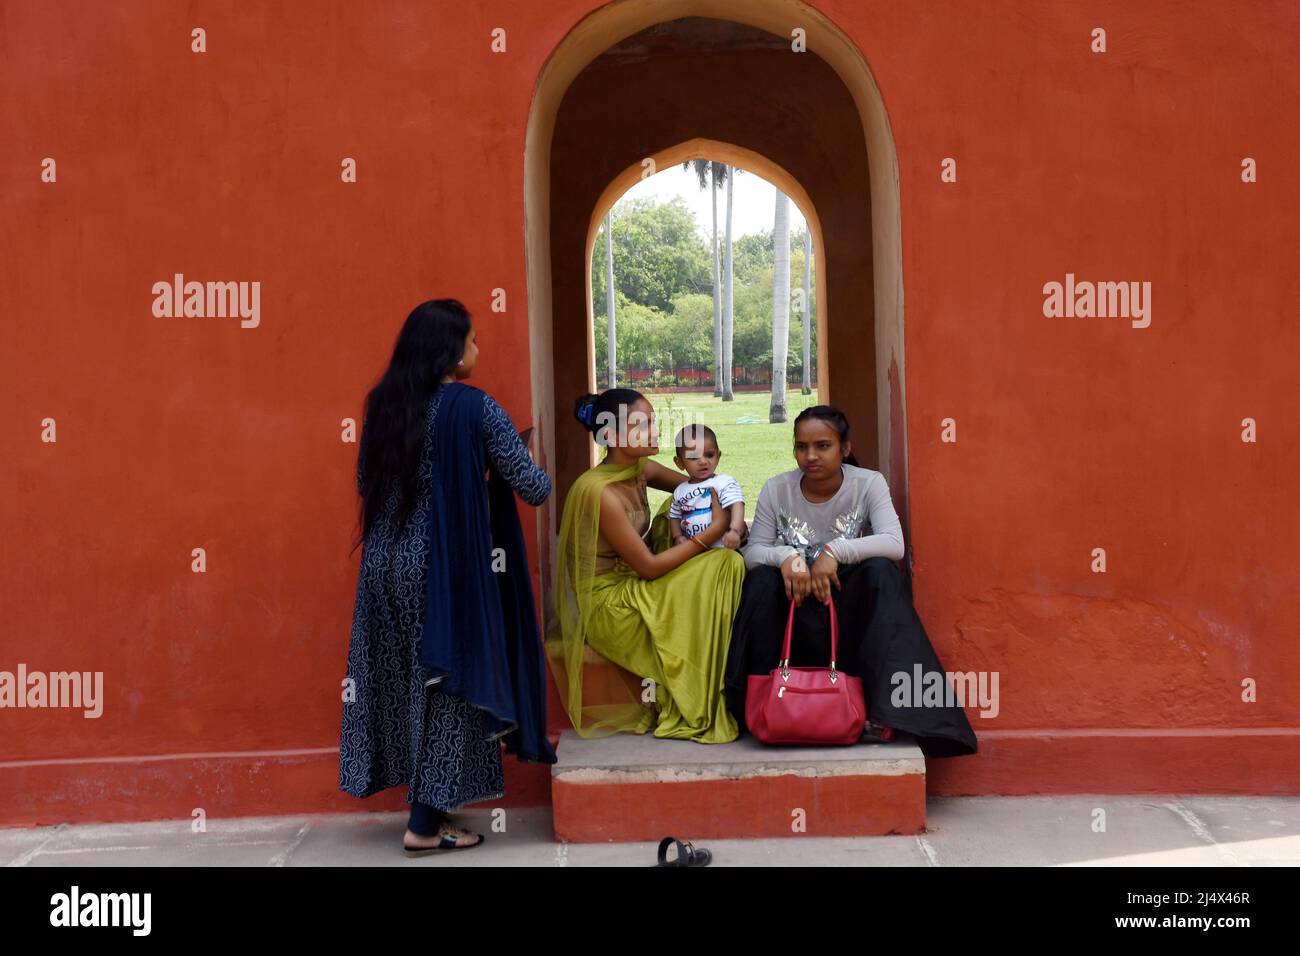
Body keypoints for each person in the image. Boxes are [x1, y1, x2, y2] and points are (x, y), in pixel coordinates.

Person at [339, 298, 556, 855]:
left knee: (406, 684)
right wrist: (535, 457)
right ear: (452, 349)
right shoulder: (475, 408)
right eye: (474, 339)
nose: (478, 349)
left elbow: (368, 480)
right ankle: (424, 825)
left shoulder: (383, 405)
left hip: (383, 568)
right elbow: (532, 488)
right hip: (442, 571)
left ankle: (426, 804)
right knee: (450, 688)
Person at [726, 404, 977, 758]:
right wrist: (787, 558)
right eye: (801, 446)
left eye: (822, 446)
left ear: (844, 448)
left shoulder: (868, 483)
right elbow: (753, 552)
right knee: (761, 581)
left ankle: (890, 712)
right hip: (793, 605)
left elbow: (894, 543)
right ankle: (756, 706)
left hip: (845, 604)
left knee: (880, 572)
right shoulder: (776, 489)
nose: (810, 456)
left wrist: (834, 552)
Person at [545, 389, 745, 743]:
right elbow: (650, 568)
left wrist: (732, 519)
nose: (656, 432)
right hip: (609, 604)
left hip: (636, 579)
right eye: (645, 424)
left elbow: (698, 486)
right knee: (723, 565)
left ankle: (717, 665)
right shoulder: (599, 492)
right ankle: (703, 677)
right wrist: (713, 531)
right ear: (614, 435)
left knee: (682, 512)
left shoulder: (640, 468)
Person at [668, 423, 746, 551]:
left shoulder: (723, 482)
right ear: (680, 462)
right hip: (694, 551)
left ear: (718, 456)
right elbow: (675, 516)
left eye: (709, 455)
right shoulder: (680, 491)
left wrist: (735, 531)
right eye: (694, 457)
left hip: (722, 549)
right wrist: (677, 536)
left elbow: (737, 504)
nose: (703, 461)